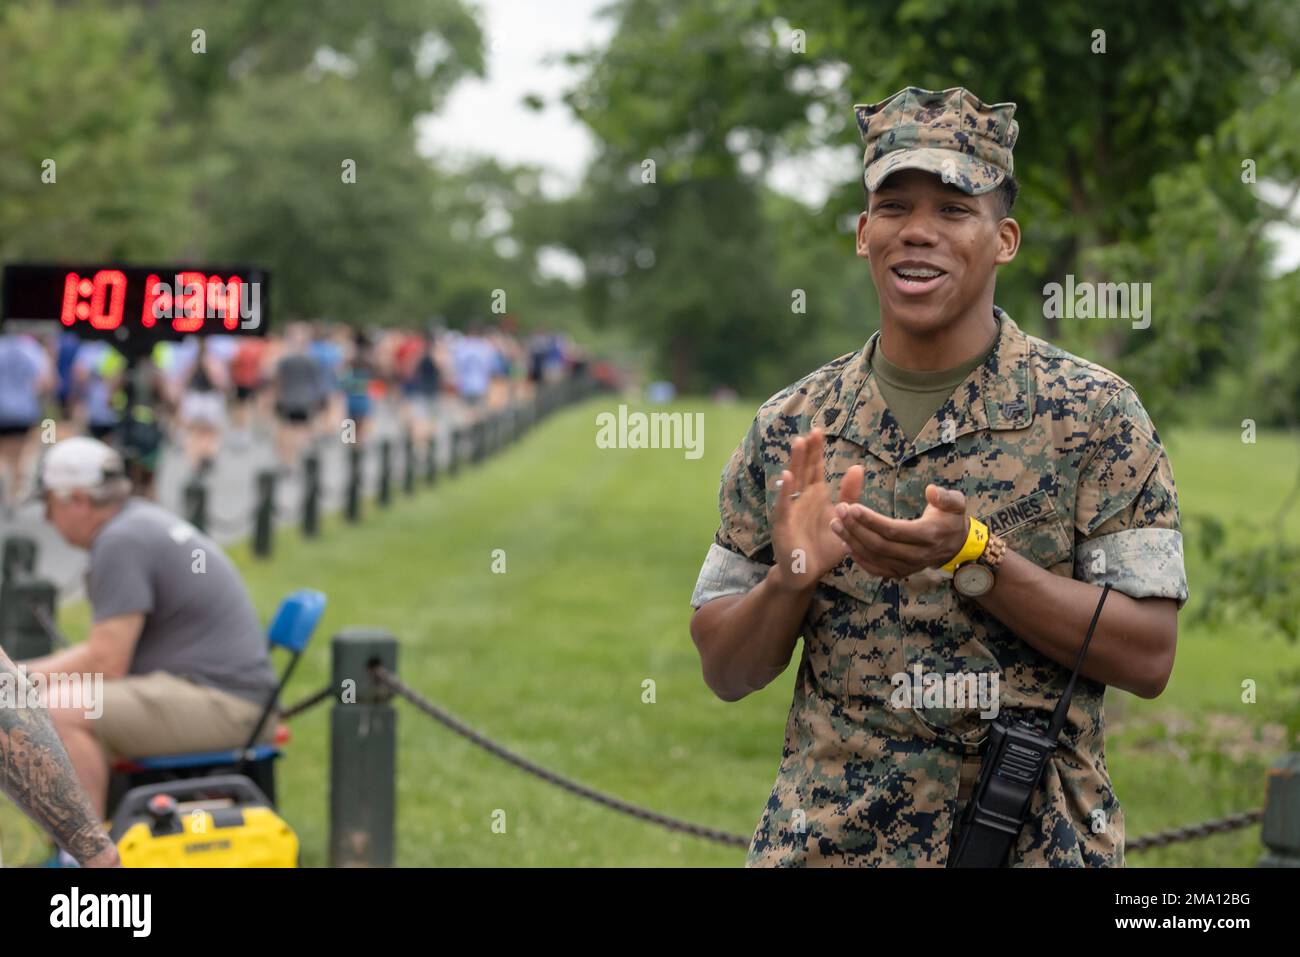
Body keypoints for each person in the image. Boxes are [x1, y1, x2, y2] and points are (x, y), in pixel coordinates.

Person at [688, 87, 1187, 868]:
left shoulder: (1093, 414)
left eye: (955, 209)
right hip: (826, 845)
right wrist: (790, 577)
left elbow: (1150, 655)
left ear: (1005, 239)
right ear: (863, 233)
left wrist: (973, 556)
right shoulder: (795, 425)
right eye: (893, 206)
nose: (917, 231)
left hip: (1028, 845)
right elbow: (723, 668)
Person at [22, 437, 279, 817]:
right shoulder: (136, 521)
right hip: (231, 696)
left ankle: (81, 858)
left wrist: (22, 681)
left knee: (59, 710)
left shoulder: (120, 542)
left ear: (76, 500)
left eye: (48, 504)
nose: (46, 518)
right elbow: (102, 651)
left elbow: (106, 664)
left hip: (225, 704)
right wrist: (21, 676)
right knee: (55, 697)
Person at [0, 331, 51, 513]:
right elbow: (46, 382)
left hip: (2, 408)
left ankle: (5, 486)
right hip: (23, 410)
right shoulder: (33, 350)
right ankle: (11, 496)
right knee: (17, 456)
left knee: (3, 453)